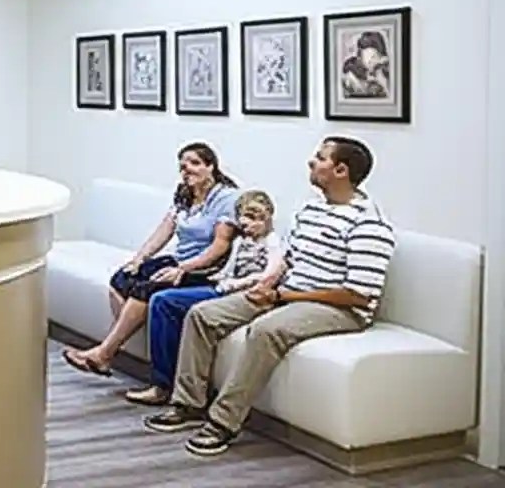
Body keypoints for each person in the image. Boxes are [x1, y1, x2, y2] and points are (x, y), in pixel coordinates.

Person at [143, 136, 395, 457]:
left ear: (341, 170)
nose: (311, 162)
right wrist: (268, 282)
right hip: (289, 291)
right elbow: (289, 257)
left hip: (336, 307)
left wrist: (283, 294)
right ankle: (188, 404)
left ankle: (224, 422)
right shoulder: (311, 208)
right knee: (202, 314)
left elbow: (359, 295)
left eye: (320, 158)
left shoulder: (369, 223)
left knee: (265, 331)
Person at [63, 142, 240, 376]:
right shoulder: (185, 193)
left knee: (145, 290)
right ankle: (121, 343)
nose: (187, 170)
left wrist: (184, 268)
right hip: (178, 260)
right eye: (183, 166)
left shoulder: (226, 198)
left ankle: (104, 354)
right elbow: (165, 229)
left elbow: (220, 246)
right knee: (122, 279)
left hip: (205, 269)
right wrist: (139, 258)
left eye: (195, 163)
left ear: (211, 167)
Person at [124, 189, 285, 406]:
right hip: (222, 286)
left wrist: (235, 284)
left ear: (268, 218)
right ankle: (163, 381)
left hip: (240, 292)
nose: (250, 224)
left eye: (257, 218)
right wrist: (213, 278)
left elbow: (270, 274)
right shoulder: (241, 241)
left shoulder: (272, 242)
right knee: (161, 299)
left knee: (173, 305)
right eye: (245, 219)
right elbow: (229, 268)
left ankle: (170, 389)